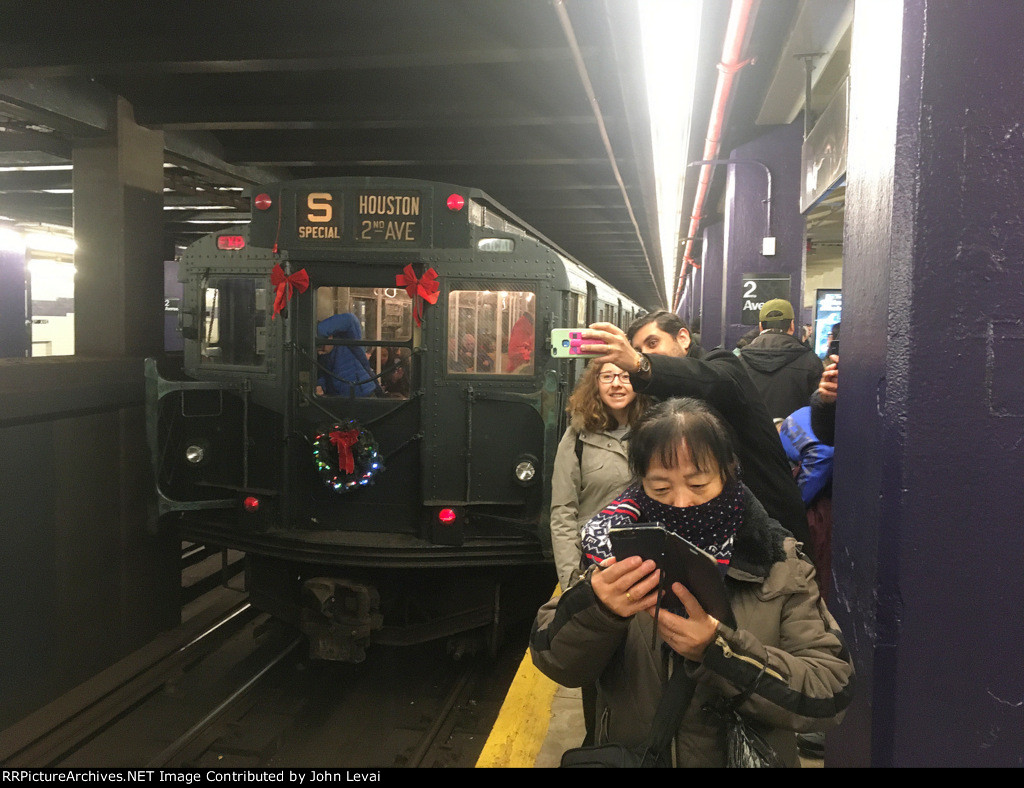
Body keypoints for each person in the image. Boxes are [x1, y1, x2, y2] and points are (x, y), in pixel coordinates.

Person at [530, 397, 854, 767]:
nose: (681, 503)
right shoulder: (616, 555)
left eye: (698, 484)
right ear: (641, 482)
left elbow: (830, 691)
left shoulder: (777, 564)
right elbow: (556, 661)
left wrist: (722, 653)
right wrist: (598, 609)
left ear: (729, 473)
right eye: (660, 488)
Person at [581, 310, 814, 559]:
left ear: (683, 338)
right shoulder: (659, 395)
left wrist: (642, 363)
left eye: (652, 343)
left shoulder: (724, 366)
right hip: (714, 532)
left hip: (767, 526)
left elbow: (709, 381)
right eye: (638, 349)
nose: (646, 352)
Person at [548, 358, 650, 746]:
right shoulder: (577, 438)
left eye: (624, 376)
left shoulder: (656, 430)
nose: (617, 383)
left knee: (643, 668)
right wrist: (571, 581)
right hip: (596, 574)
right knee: (597, 669)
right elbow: (563, 512)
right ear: (596, 384)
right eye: (607, 376)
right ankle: (599, 746)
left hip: (647, 569)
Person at [737, 299, 824, 420]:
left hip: (754, 432)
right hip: (794, 432)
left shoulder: (740, 361)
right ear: (792, 325)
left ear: (761, 326)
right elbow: (820, 409)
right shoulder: (811, 361)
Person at [315, 313, 380, 397]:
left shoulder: (346, 343)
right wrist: (320, 386)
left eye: (320, 347)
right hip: (341, 398)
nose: (319, 352)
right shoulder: (323, 357)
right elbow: (322, 375)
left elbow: (350, 319)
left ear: (330, 337)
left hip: (363, 394)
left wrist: (317, 333)